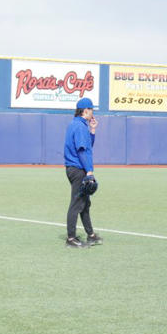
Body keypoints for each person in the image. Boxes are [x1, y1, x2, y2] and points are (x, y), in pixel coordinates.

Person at [63, 98, 102, 248]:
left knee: (85, 203)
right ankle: (71, 238)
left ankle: (90, 235)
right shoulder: (79, 126)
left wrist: (92, 131)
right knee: (77, 203)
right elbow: (82, 151)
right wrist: (89, 171)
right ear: (85, 110)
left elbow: (87, 146)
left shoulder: (78, 125)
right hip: (78, 169)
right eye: (91, 109)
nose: (92, 112)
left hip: (76, 168)